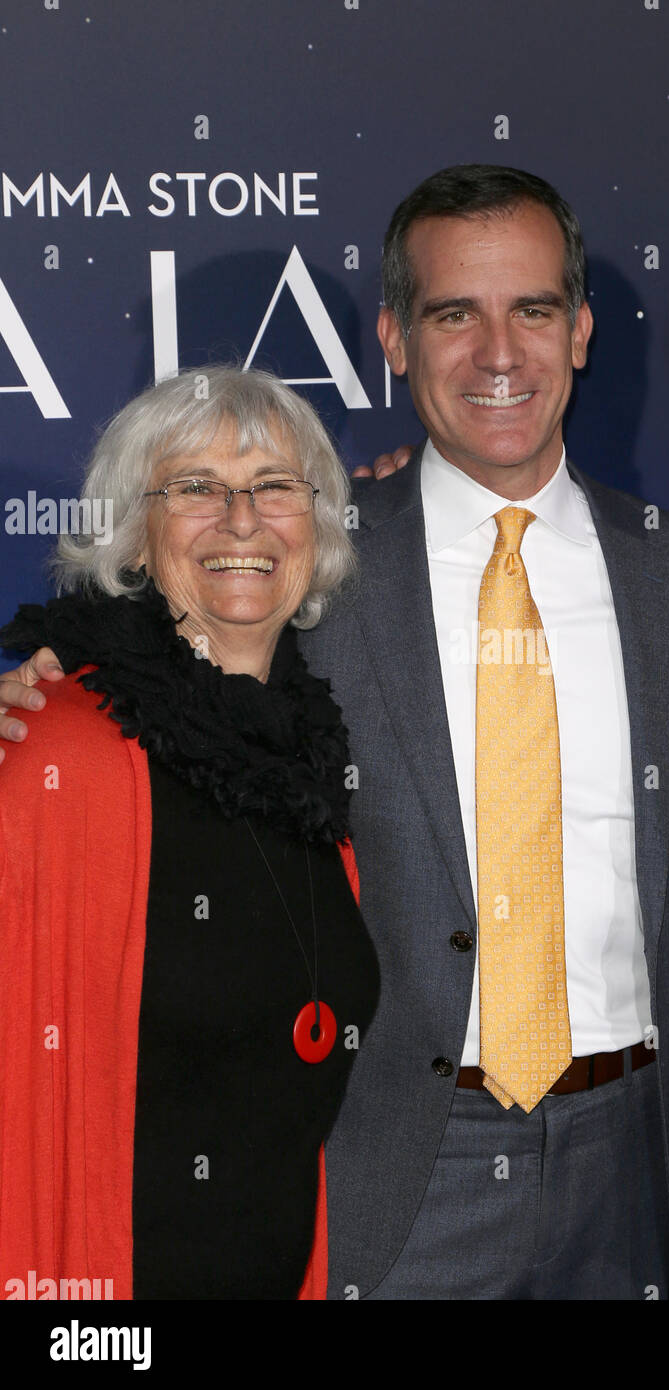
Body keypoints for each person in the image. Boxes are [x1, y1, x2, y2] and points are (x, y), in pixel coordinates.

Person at [3, 165, 669, 1300]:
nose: (498, 352)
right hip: (393, 1167)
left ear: (580, 331)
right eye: (453, 313)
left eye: (531, 309)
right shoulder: (312, 567)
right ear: (394, 337)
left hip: (628, 1166)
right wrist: (44, 683)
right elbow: (157, 662)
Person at [0, 366, 378, 1299]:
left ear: (318, 530)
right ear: (134, 537)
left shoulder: (306, 744)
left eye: (275, 487)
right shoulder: (63, 743)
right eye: (195, 488)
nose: (241, 520)